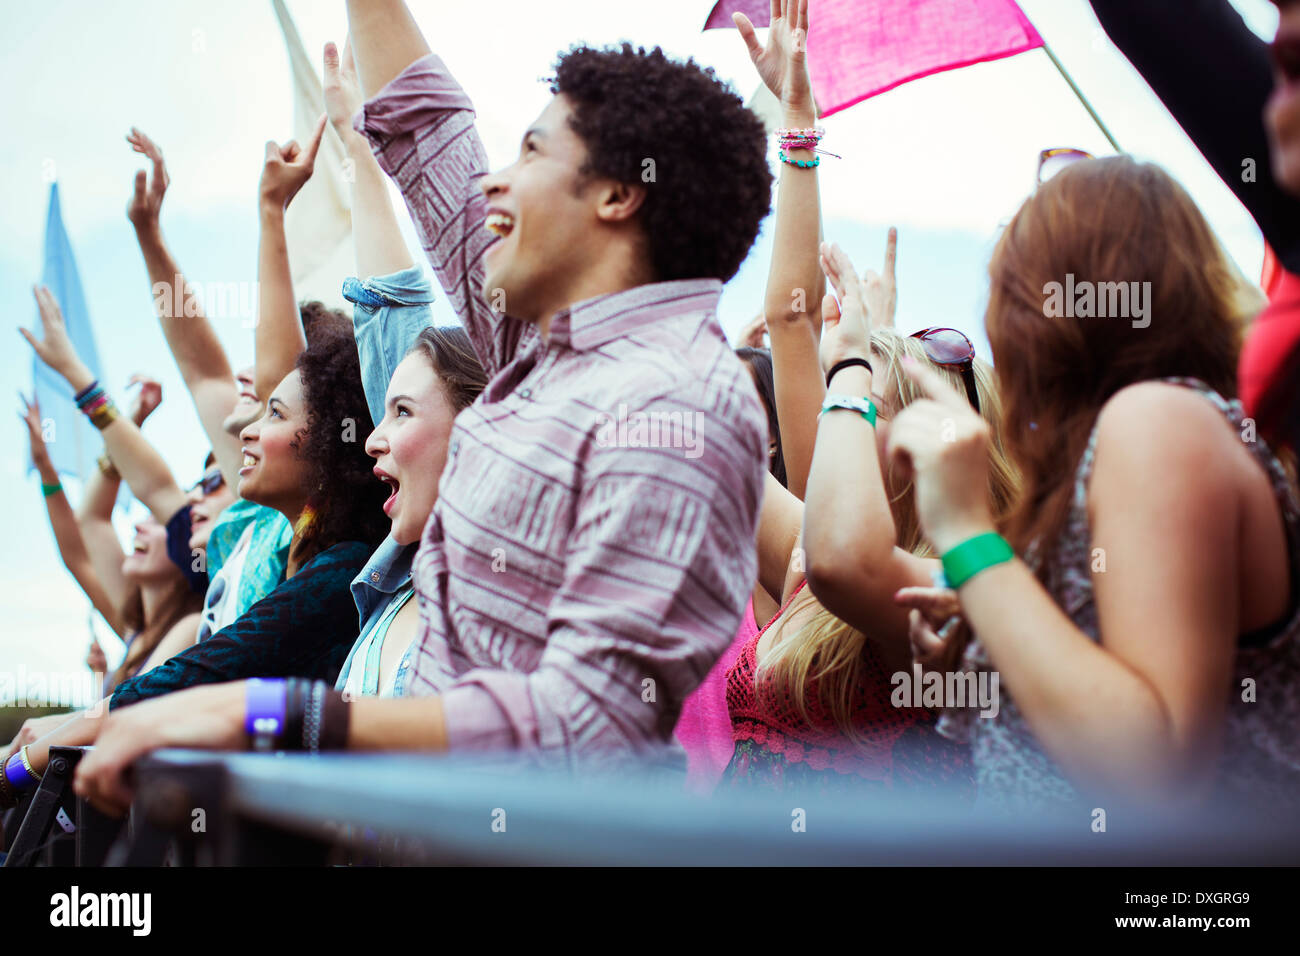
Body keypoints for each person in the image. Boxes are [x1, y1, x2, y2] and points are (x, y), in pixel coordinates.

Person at [70, 0, 775, 814]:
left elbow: (585, 722)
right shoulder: (548, 350)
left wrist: (265, 712)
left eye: (531, 152)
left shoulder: (679, 404)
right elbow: (426, 130)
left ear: (618, 194)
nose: (493, 181)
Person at [891, 156, 1299, 814]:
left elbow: (1151, 768)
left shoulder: (1158, 421)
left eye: (1007, 287)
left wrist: (967, 537)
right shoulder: (1136, 433)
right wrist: (992, 627)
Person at [18, 388, 204, 696]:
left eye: (158, 522)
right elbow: (85, 533)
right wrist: (47, 471)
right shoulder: (136, 627)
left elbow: (119, 717)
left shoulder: (194, 627)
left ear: (191, 551)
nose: (137, 527)